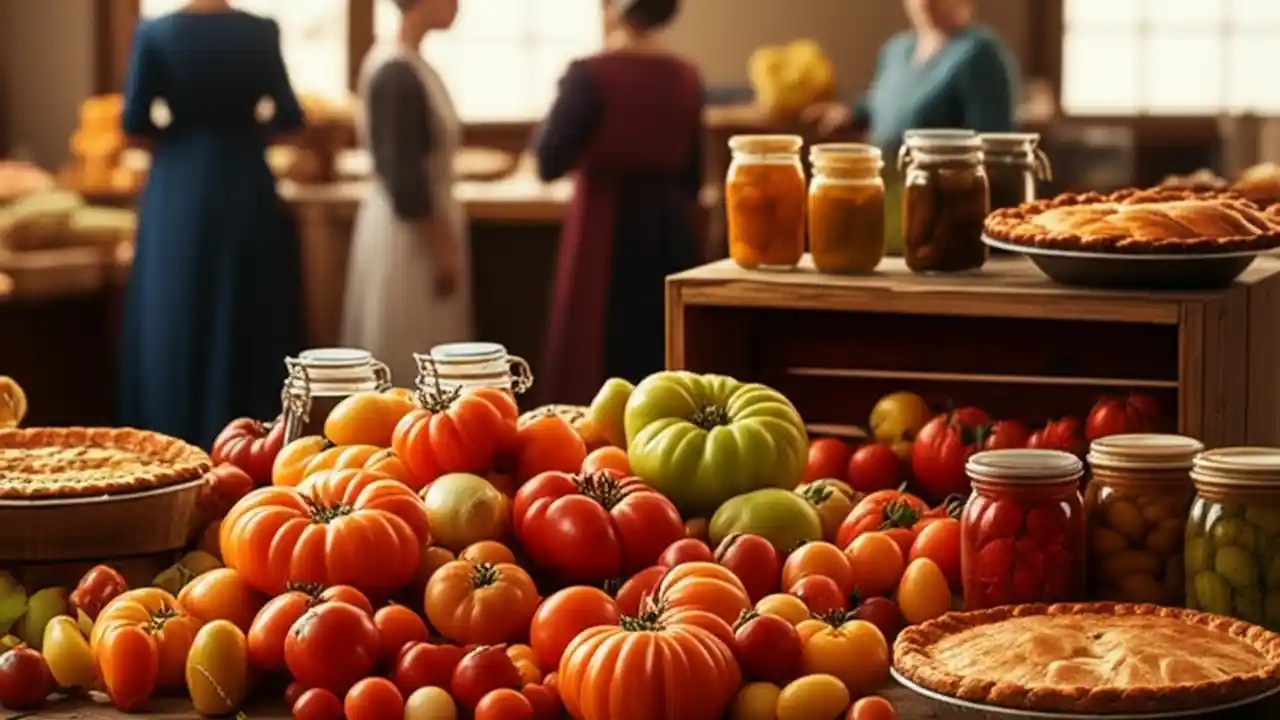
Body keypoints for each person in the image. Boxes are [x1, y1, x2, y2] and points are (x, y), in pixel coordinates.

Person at [119, 0, 304, 447]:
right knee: (247, 305)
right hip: (244, 181)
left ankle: (166, 444)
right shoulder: (260, 31)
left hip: (178, 185)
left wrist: (181, 136)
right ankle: (253, 446)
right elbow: (290, 116)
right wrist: (243, 132)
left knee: (175, 309)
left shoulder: (156, 34)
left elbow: (133, 121)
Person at [536, 0, 704, 405]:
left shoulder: (591, 75)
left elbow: (548, 159)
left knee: (599, 357)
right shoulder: (685, 77)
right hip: (669, 229)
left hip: (604, 230)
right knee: (661, 354)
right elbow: (694, 176)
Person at [341, 0, 468, 387]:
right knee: (409, 345)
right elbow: (404, 176)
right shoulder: (395, 72)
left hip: (423, 218)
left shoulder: (412, 64)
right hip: (408, 232)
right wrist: (442, 246)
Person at [807, 0, 1017, 152]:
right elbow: (878, 102)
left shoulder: (979, 54)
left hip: (940, 194)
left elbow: (991, 146)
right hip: (886, 182)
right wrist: (849, 115)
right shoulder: (897, 49)